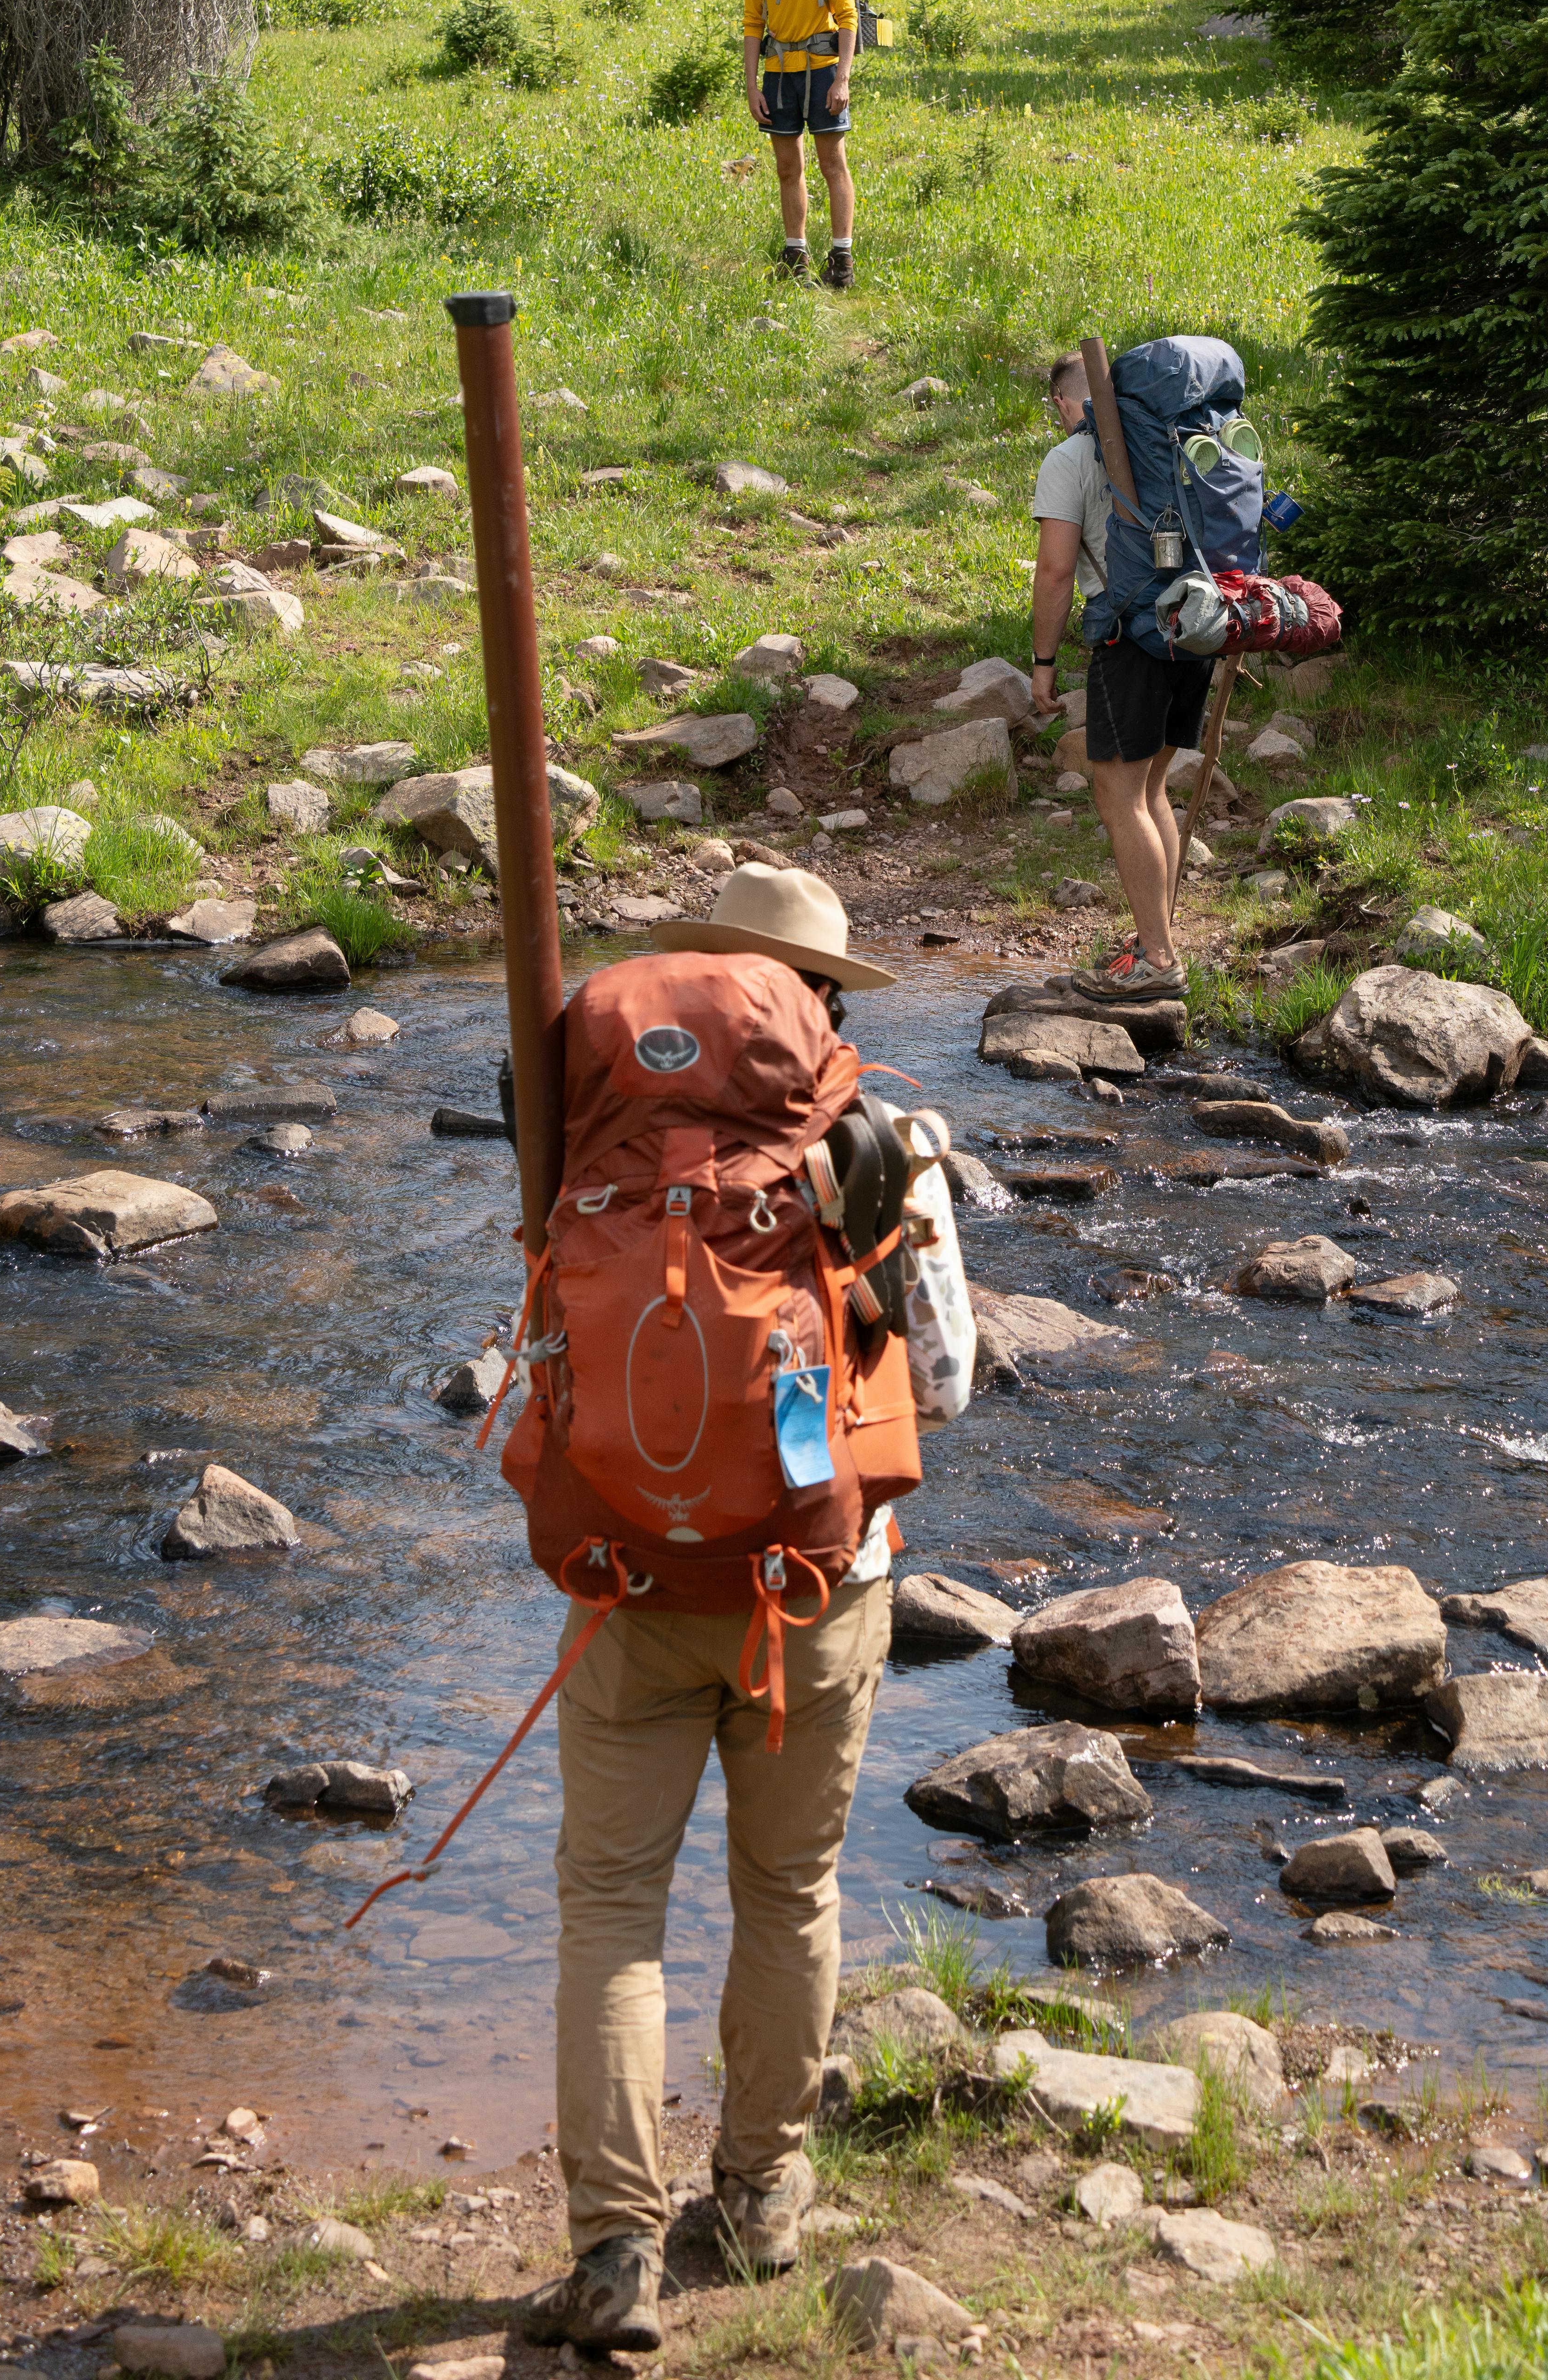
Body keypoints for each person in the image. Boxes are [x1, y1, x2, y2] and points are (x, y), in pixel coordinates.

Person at [525, 866, 972, 2358]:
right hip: (815, 1580)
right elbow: (949, 1376)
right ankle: (762, 2198)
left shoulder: (584, 1118)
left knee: (609, 1908)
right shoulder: (884, 1134)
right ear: (822, 993)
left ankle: (611, 2252)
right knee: (787, 1891)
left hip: (630, 1579)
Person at [1028, 348, 1197, 1001]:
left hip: (1131, 636)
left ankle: (1156, 960)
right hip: (1192, 625)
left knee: (1118, 793)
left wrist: (1044, 663)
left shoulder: (1071, 457)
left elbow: (1056, 572)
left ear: (1065, 403)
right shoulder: (1172, 444)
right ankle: (1158, 940)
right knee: (1151, 789)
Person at [742, 0, 857, 289]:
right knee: (788, 168)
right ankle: (796, 256)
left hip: (824, 71)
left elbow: (847, 18)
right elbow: (753, 23)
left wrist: (842, 79)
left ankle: (841, 259)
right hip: (777, 75)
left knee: (833, 164)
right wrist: (752, 86)